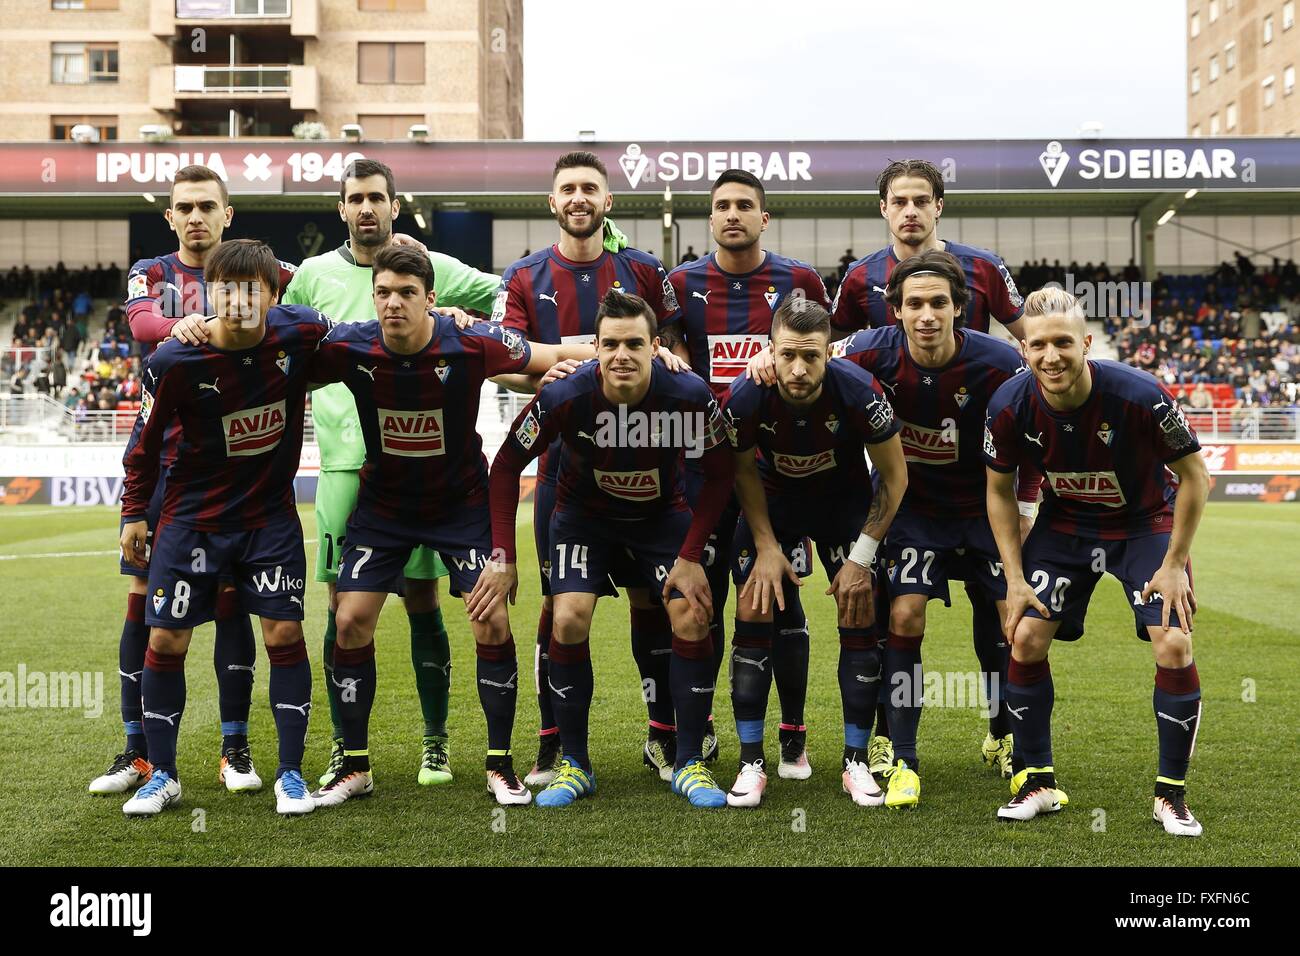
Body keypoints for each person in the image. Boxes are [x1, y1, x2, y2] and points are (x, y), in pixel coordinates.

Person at [168, 158, 496, 789]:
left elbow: (503, 292)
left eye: (377, 198)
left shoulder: (426, 266)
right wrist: (201, 328)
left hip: (420, 465)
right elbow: (266, 335)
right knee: (342, 604)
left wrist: (460, 315)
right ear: (340, 209)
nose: (366, 208)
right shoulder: (312, 275)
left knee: (425, 599)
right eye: (354, 199)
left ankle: (436, 742)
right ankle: (349, 751)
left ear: (395, 207)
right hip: (343, 463)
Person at [306, 245, 595, 808]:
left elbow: (546, 351)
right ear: (373, 298)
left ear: (431, 300)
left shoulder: (470, 342)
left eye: (407, 293)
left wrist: (613, 355)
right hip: (384, 508)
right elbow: (280, 354)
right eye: (384, 292)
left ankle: (499, 765)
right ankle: (356, 767)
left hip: (462, 506)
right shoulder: (349, 345)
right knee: (349, 621)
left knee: (488, 621)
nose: (394, 303)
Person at [476, 289, 735, 808]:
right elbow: (505, 466)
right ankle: (575, 761)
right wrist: (501, 555)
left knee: (691, 615)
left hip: (661, 517)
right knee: (568, 618)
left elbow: (724, 470)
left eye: (634, 344)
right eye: (610, 344)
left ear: (654, 345)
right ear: (594, 346)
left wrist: (689, 556)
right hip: (583, 518)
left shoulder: (686, 393)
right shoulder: (564, 395)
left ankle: (689, 762)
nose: (622, 355)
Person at [119, 239, 335, 817]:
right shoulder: (173, 360)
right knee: (166, 639)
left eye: (251, 289)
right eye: (226, 288)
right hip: (192, 523)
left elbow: (369, 339)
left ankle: (291, 774)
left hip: (269, 521)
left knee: (283, 638)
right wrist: (133, 511)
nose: (238, 300)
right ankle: (162, 775)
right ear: (209, 293)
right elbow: (141, 448)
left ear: (272, 294)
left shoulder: (303, 332)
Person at [984, 287, 1210, 836]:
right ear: (1024, 350)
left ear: (1086, 343)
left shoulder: (1141, 395)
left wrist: (1176, 562)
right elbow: (998, 492)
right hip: (1065, 527)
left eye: (1064, 342)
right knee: (1025, 637)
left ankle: (1170, 797)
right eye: (1039, 345)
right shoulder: (1008, 405)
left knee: (1174, 642)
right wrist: (1013, 579)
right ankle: (1037, 781)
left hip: (1145, 525)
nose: (1051, 356)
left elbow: (1198, 477)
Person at [816, 250, 1039, 806]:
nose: (927, 314)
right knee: (904, 612)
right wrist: (765, 362)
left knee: (1007, 620)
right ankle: (904, 758)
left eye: (939, 303)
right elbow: (810, 356)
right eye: (914, 303)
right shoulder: (867, 351)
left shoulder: (998, 363)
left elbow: (1033, 432)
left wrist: (1028, 510)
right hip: (913, 507)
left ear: (959, 308)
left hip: (986, 507)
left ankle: (1004, 736)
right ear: (894, 309)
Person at [492, 151, 685, 785]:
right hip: (563, 471)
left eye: (590, 189)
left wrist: (665, 361)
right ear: (552, 202)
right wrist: (547, 371)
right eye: (567, 189)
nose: (579, 198)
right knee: (559, 608)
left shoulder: (645, 271)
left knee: (651, 601)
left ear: (608, 201)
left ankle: (664, 734)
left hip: (650, 460)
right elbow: (506, 360)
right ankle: (555, 741)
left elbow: (675, 350)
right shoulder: (523, 276)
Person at [90, 164, 282, 798]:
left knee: (232, 599)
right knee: (146, 604)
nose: (196, 216)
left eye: (207, 205)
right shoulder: (152, 272)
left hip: (233, 470)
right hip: (164, 463)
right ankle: (137, 752)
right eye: (184, 207)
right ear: (169, 217)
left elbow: (309, 310)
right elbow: (142, 323)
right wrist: (188, 324)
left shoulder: (257, 274)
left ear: (229, 215)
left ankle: (234, 747)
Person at [663, 168, 832, 779]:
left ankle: (791, 737)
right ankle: (699, 734)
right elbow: (671, 356)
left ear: (764, 218)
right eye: (722, 206)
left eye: (745, 206)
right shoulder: (680, 284)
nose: (733, 214)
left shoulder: (799, 281)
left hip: (776, 475)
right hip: (703, 473)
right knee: (698, 604)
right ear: (710, 218)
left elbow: (819, 348)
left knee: (779, 603)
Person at [723, 298, 907, 808]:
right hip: (772, 507)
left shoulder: (860, 392)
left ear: (830, 353)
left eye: (811, 356)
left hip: (842, 508)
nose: (799, 369)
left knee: (860, 607)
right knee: (753, 605)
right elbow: (739, 472)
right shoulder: (745, 395)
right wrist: (764, 545)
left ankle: (855, 761)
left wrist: (861, 559)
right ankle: (751, 762)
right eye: (787, 356)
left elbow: (895, 477)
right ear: (769, 352)